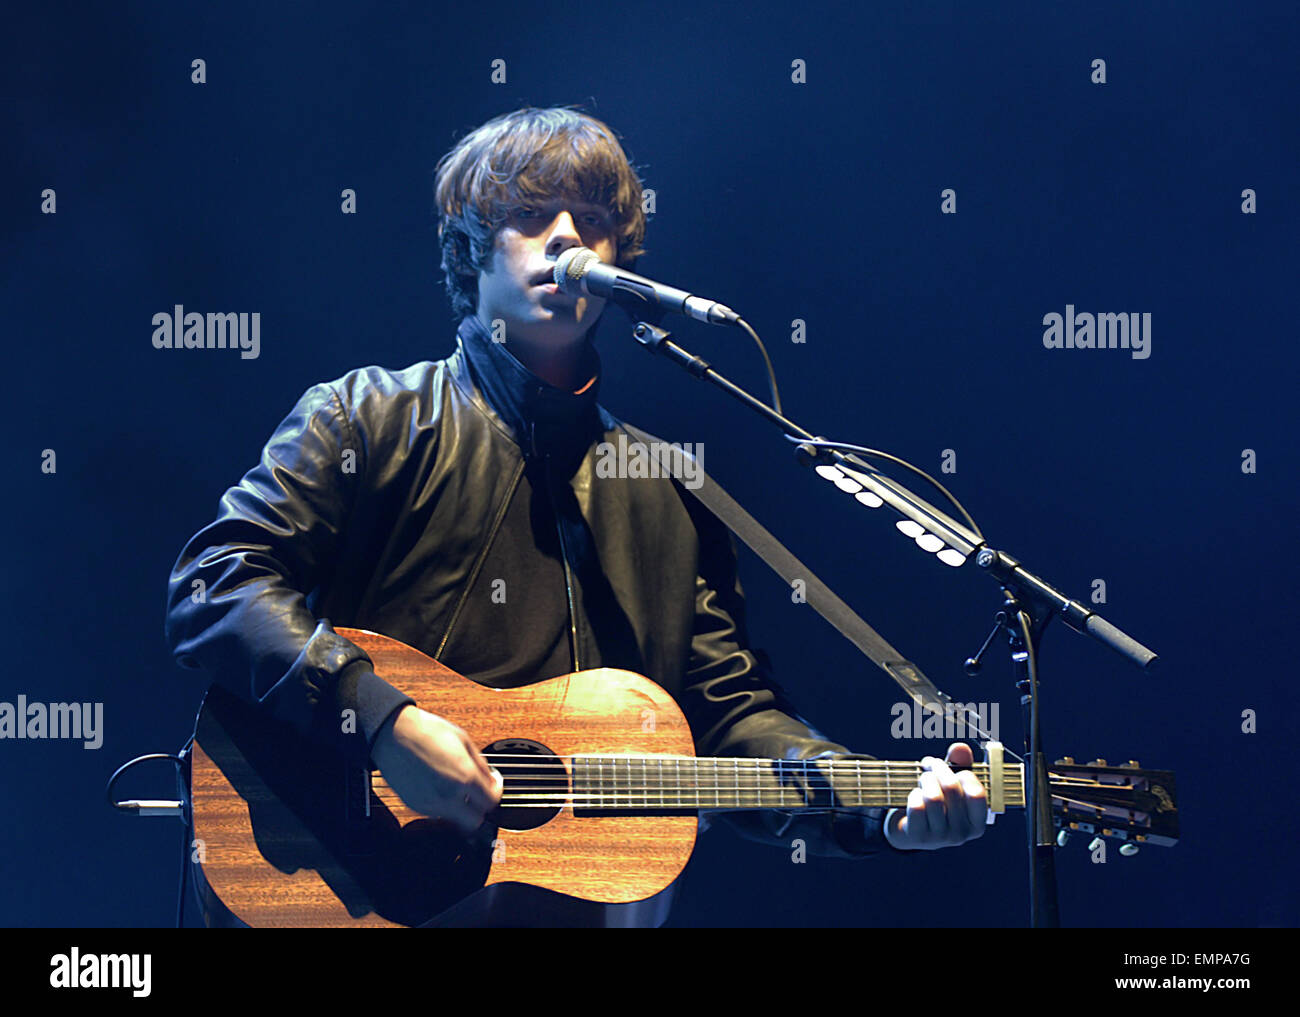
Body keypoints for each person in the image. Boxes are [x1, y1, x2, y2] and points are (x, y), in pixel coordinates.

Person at [165, 107, 985, 924]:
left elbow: (729, 719)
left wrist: (878, 809)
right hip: (354, 885)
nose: (570, 240)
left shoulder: (666, 490)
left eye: (594, 222)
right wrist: (383, 721)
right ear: (469, 250)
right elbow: (215, 585)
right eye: (531, 215)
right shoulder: (367, 419)